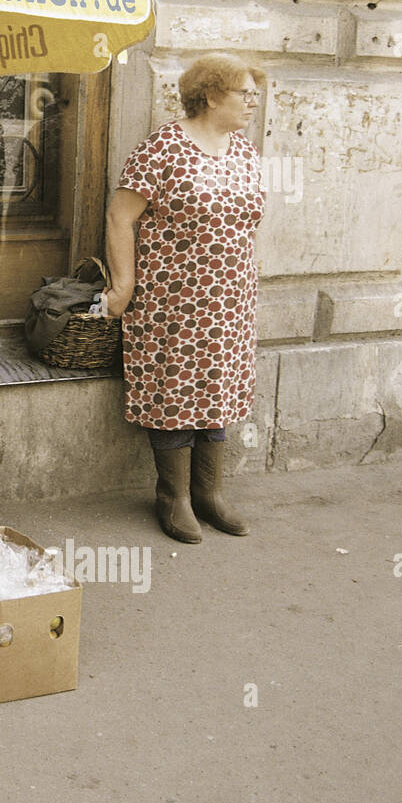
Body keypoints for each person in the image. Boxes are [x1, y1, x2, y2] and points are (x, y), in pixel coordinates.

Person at [103, 53, 266, 544]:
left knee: (217, 387)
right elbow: (119, 218)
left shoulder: (244, 151)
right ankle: (172, 496)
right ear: (212, 94)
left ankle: (208, 493)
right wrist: (123, 286)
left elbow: (249, 221)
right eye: (245, 93)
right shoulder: (163, 149)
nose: (253, 102)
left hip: (230, 299)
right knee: (176, 389)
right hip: (174, 298)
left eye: (255, 94)